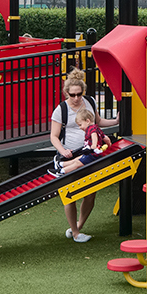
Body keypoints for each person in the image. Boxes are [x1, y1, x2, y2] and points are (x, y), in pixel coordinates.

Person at [49, 69, 118, 242]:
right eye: (72, 95)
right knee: (69, 193)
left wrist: (116, 122)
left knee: (91, 192)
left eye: (79, 94)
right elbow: (54, 136)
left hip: (89, 153)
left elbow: (98, 122)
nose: (76, 98)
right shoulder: (61, 109)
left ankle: (78, 227)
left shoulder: (89, 102)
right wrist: (62, 150)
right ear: (66, 93)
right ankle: (75, 232)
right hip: (69, 153)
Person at [51, 109, 113, 176]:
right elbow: (105, 138)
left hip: (92, 154)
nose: (80, 127)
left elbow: (94, 137)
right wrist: (109, 145)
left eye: (80, 125)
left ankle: (62, 171)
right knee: (78, 159)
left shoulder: (91, 129)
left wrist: (93, 147)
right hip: (93, 153)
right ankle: (61, 164)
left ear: (87, 121)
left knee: (77, 163)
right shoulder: (96, 128)